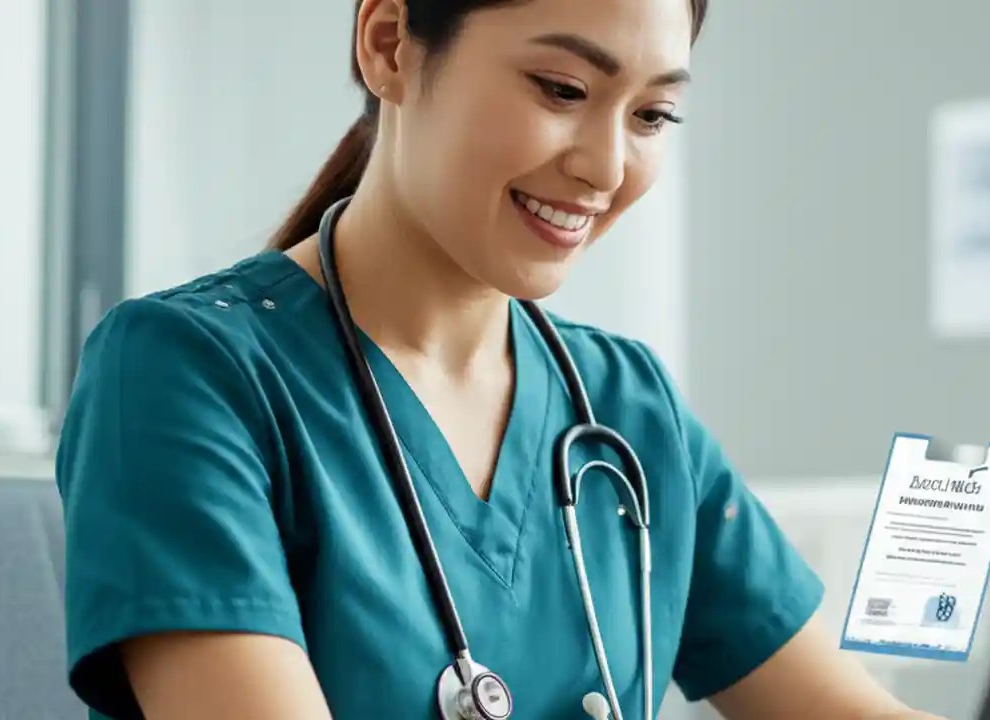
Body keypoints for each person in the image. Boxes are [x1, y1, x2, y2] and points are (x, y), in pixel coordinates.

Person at [54, 0, 944, 718]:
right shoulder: (184, 374)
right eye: (560, 88)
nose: (605, 165)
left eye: (653, 114)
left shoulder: (624, 410)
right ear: (390, 43)